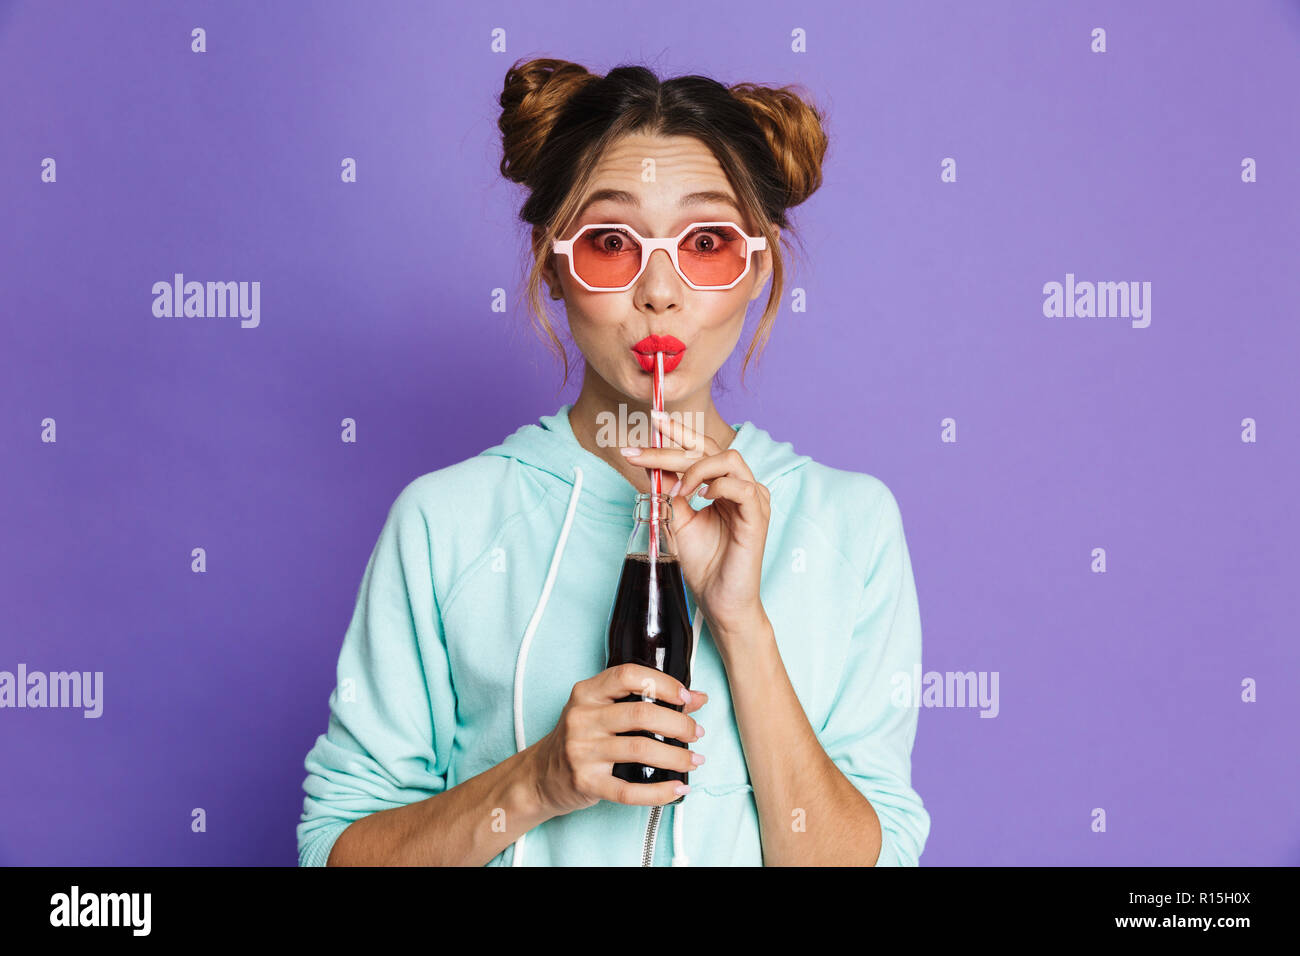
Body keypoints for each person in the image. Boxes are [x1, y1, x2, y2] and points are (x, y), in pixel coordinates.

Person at [296, 58, 931, 867]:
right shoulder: (445, 522)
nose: (658, 291)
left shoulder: (851, 525)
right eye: (609, 243)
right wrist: (536, 781)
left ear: (759, 264)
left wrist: (741, 624)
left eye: (706, 243)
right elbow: (335, 855)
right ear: (552, 264)